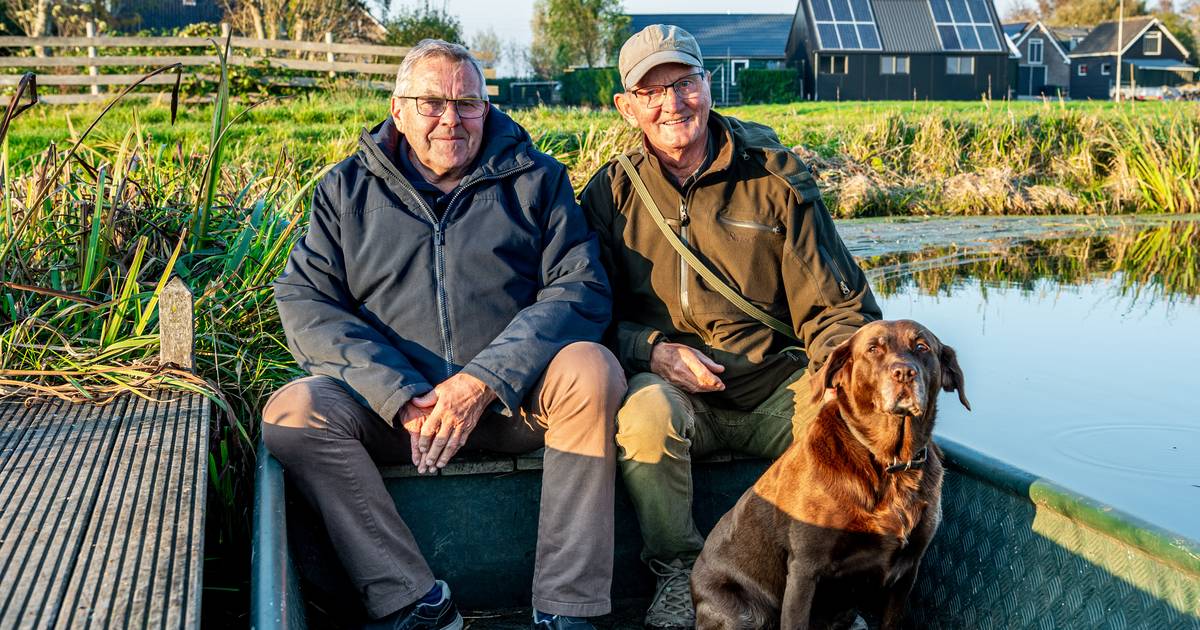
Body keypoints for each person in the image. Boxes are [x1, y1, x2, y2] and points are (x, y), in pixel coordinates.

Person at [262, 39, 625, 630]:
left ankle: (566, 606)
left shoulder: (537, 179)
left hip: (514, 405)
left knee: (593, 369)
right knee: (294, 412)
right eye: (431, 103)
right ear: (398, 110)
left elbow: (579, 290)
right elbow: (305, 301)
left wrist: (484, 380)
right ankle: (413, 601)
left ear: (487, 108)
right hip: (395, 416)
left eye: (467, 103)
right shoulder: (345, 191)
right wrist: (397, 392)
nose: (450, 119)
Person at [578, 25, 882, 630]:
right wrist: (652, 349)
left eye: (685, 83)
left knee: (845, 419)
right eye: (653, 90)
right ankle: (680, 574)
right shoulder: (609, 195)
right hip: (675, 393)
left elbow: (838, 311)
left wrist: (835, 377)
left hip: (773, 384)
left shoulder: (774, 178)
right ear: (627, 106)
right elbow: (582, 314)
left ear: (707, 85)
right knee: (642, 417)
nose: (673, 104)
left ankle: (829, 581)